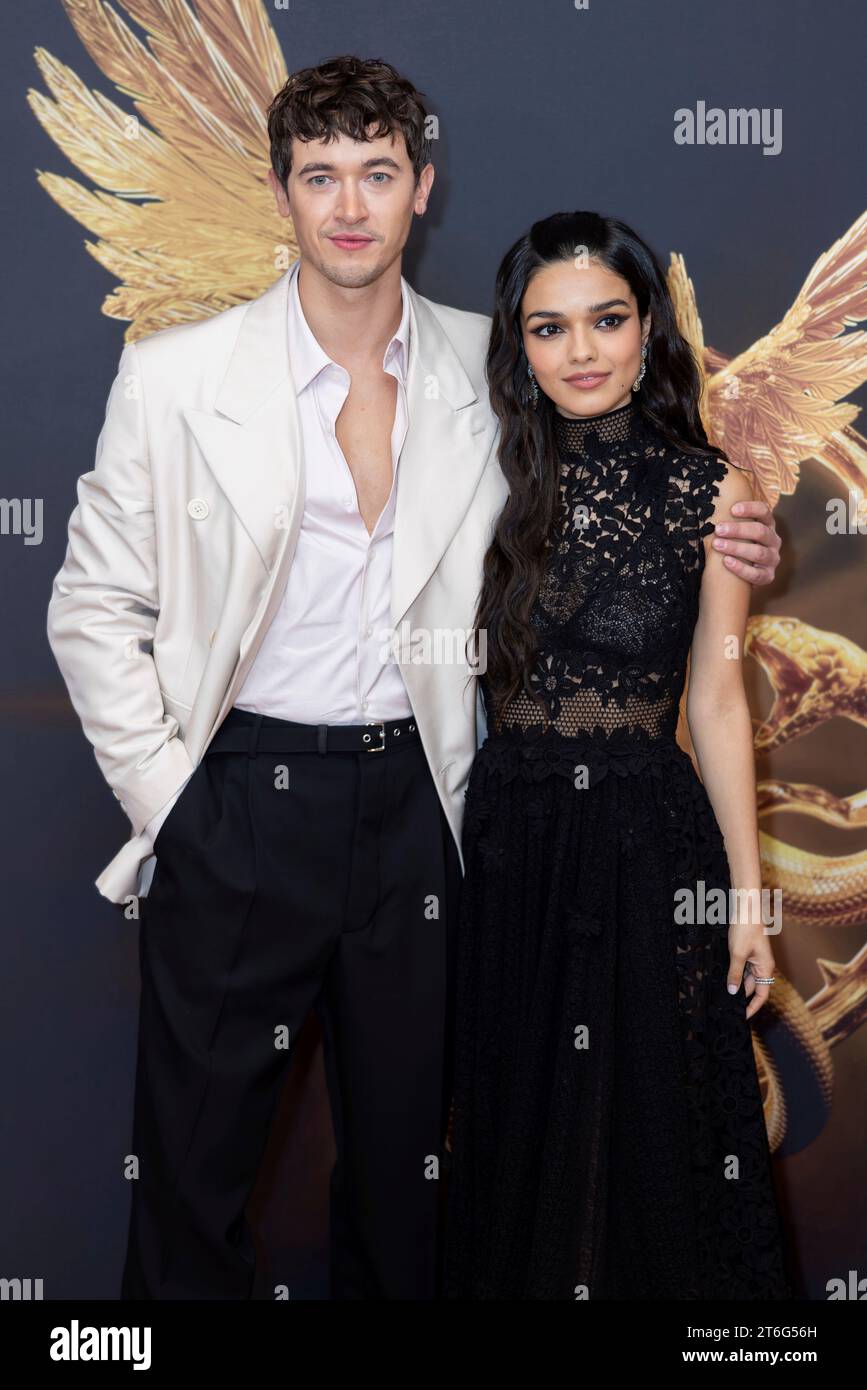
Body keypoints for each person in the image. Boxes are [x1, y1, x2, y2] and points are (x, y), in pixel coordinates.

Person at [45, 58, 782, 1300]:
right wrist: (178, 805)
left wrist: (739, 528)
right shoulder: (175, 376)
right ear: (279, 190)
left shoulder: (501, 369)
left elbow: (628, 465)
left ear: (421, 189)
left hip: (427, 817)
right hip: (235, 797)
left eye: (377, 174)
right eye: (320, 175)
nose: (349, 205)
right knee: (190, 1178)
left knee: (409, 1183)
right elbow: (90, 609)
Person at [443, 211, 793, 1300]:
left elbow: (718, 700)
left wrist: (749, 899)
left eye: (607, 320)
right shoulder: (475, 472)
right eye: (550, 329)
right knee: (518, 1130)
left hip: (649, 844)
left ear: (651, 330)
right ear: (518, 343)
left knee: (653, 1133)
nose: (581, 352)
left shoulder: (712, 491)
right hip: (509, 846)